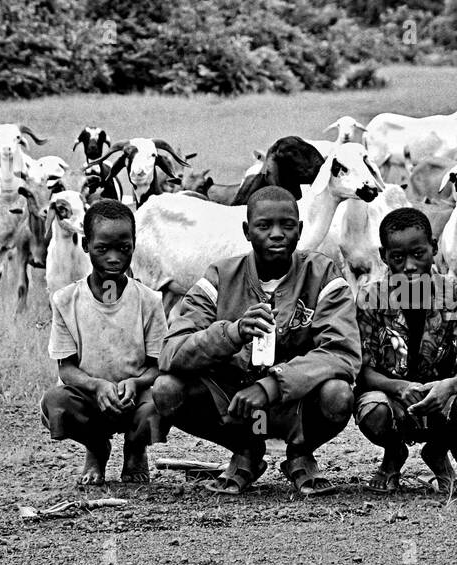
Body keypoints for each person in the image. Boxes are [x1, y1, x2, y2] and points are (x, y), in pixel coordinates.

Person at [152, 186, 360, 497]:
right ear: (247, 231)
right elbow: (172, 352)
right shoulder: (220, 277)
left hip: (296, 404)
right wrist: (232, 333)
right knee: (167, 390)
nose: (277, 234)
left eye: (287, 225)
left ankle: (300, 453)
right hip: (234, 404)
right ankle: (246, 450)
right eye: (264, 226)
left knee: (338, 395)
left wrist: (272, 385)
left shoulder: (322, 274)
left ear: (300, 230)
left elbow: (342, 352)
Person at [355, 207, 457, 492]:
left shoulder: (456, 294)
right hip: (392, 398)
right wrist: (399, 387)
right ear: (383, 256)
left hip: (441, 399)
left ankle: (437, 451)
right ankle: (393, 454)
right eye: (397, 258)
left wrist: (447, 387)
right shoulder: (370, 298)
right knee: (372, 411)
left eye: (419, 254)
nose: (410, 266)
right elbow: (363, 372)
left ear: (434, 248)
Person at [42, 198, 165, 485]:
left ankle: (136, 448)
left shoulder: (149, 301)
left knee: (165, 398)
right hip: (89, 399)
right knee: (56, 402)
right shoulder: (65, 300)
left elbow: (157, 367)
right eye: (102, 248)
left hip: (136, 399)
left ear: (134, 244)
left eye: (123, 249)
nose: (114, 258)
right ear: (85, 245)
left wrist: (135, 383)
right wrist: (96, 386)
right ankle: (97, 448)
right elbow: (66, 369)